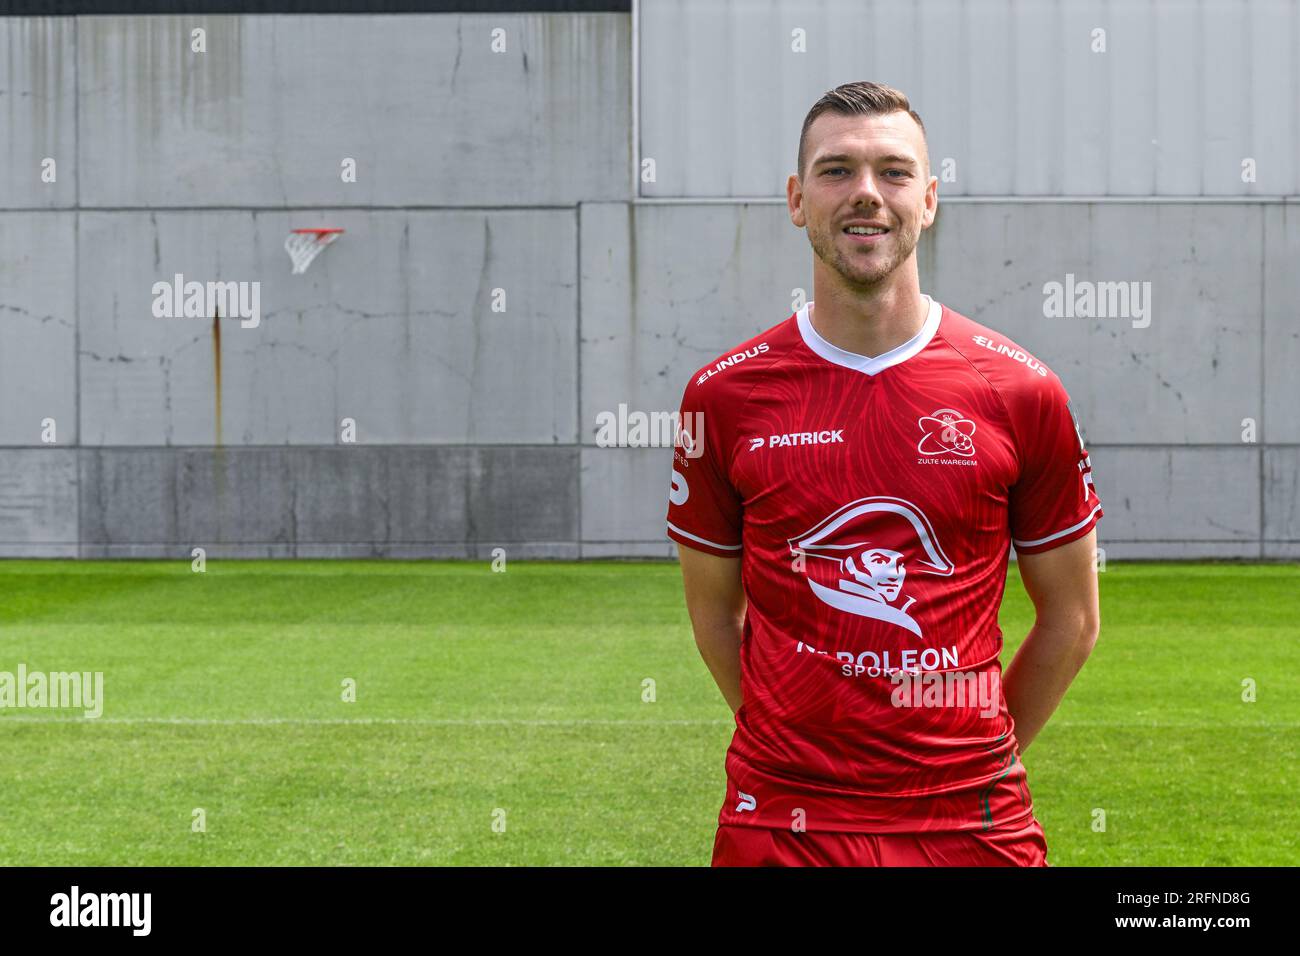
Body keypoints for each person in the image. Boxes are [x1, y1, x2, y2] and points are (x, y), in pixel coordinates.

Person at [666, 81, 1103, 867]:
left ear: (928, 200)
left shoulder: (1021, 391)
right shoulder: (724, 397)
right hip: (783, 821)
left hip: (972, 821)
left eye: (894, 172)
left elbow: (1071, 620)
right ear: (796, 200)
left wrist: (971, 756)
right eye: (836, 170)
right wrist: (790, 740)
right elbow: (714, 618)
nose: (866, 192)